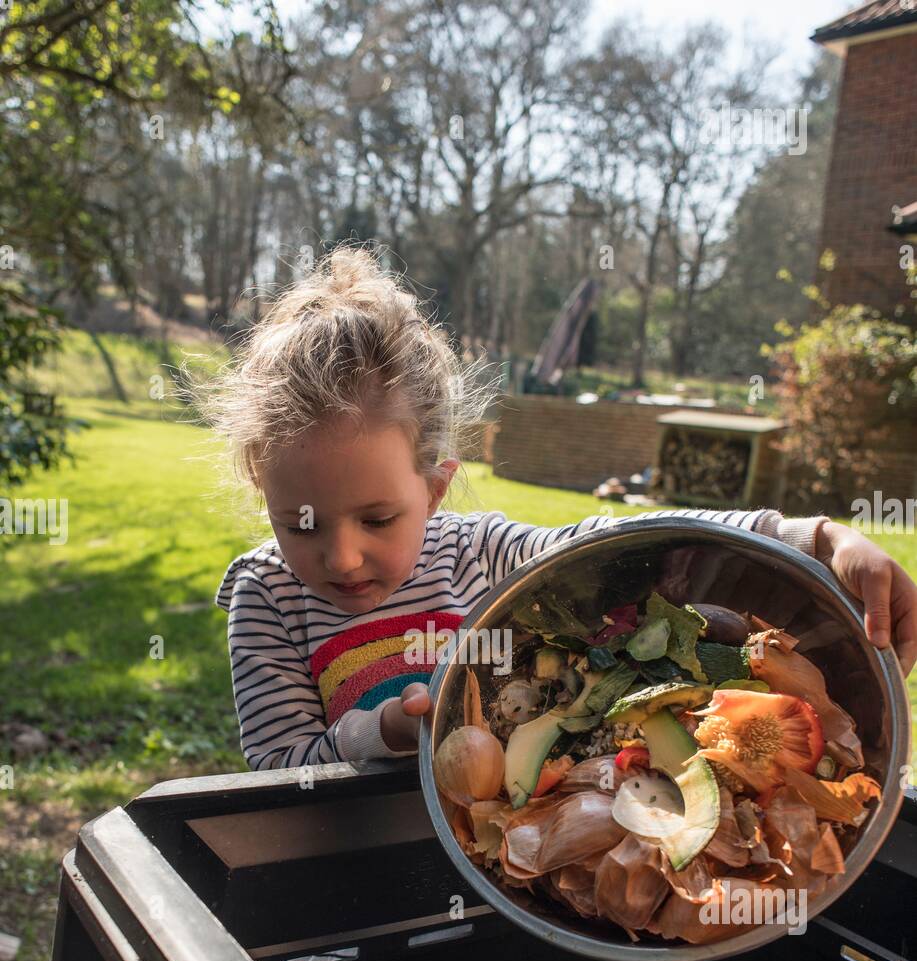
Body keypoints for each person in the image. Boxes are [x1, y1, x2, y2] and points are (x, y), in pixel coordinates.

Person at [195, 244, 917, 771]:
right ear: (266, 494)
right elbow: (278, 768)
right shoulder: (267, 597)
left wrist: (812, 537)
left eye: (378, 519)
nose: (342, 555)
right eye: (302, 524)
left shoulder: (481, 555)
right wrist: (379, 732)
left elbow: (628, 540)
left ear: (435, 489)